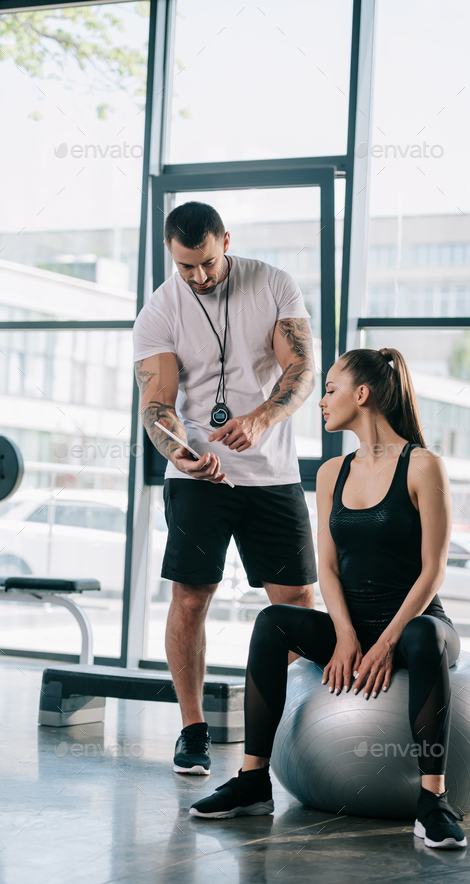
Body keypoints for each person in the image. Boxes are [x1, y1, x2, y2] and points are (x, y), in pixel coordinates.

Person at [190, 347, 467, 851]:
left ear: (362, 395)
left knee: (423, 633)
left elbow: (433, 572)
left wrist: (384, 644)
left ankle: (433, 801)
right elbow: (329, 568)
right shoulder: (330, 472)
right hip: (353, 626)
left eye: (331, 390)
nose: (321, 401)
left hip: (419, 624)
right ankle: (253, 781)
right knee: (274, 620)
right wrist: (344, 634)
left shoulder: (423, 466)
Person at [133, 201, 318, 777]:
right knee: (190, 599)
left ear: (225, 242)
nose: (198, 277)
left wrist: (260, 420)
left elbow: (302, 371)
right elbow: (157, 405)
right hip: (198, 477)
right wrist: (183, 454)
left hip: (272, 474)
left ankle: (283, 728)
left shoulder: (274, 284)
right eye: (185, 266)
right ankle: (193, 730)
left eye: (207, 263)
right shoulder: (160, 311)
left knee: (296, 607)